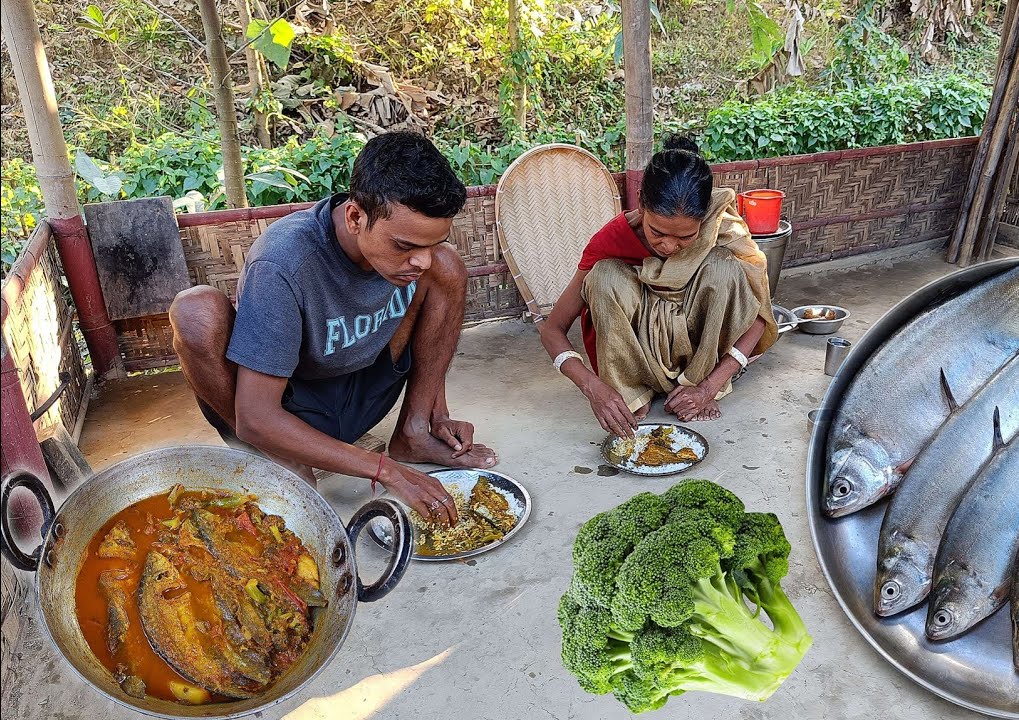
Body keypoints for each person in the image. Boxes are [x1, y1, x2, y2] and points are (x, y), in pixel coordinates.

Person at [169, 131, 497, 527]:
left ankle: (413, 433)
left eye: (431, 243)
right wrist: (385, 471)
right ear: (356, 217)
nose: (420, 261)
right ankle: (284, 459)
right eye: (405, 246)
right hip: (294, 413)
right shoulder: (283, 262)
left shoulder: (419, 258)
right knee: (195, 311)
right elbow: (255, 416)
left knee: (449, 266)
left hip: (366, 388)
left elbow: (430, 327)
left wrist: (436, 413)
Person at [539, 136, 779, 437]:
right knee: (604, 276)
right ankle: (633, 391)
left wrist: (709, 386)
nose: (669, 246)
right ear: (641, 203)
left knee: (723, 266)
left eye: (685, 238)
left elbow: (758, 316)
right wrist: (592, 386)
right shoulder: (611, 239)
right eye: (657, 232)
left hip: (701, 366)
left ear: (703, 218)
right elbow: (552, 328)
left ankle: (695, 384)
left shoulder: (722, 230)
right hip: (640, 361)